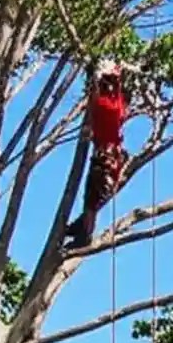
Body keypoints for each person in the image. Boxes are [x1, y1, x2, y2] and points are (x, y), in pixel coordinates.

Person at [64, 59, 132, 250]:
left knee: (92, 198)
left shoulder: (101, 104)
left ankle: (84, 234)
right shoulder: (117, 104)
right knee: (92, 198)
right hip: (113, 156)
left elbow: (96, 94)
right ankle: (81, 226)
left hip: (105, 157)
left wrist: (98, 75)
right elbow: (116, 88)